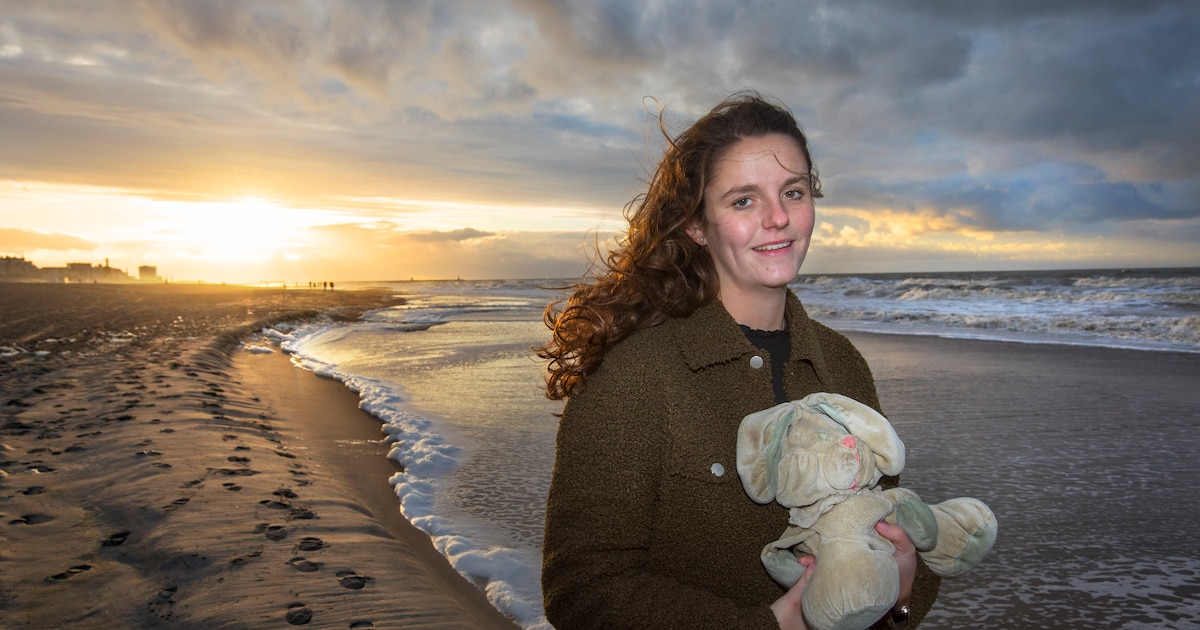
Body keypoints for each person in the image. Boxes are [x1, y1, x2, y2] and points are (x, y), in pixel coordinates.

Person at [538, 92, 941, 629]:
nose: (778, 218)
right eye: (743, 201)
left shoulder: (842, 362)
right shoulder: (634, 375)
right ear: (697, 226)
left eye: (792, 192)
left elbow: (878, 527)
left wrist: (905, 588)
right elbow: (582, 592)